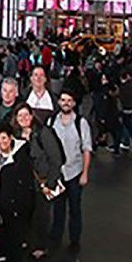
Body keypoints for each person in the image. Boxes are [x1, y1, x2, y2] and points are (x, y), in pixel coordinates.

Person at [12, 103, 64, 260]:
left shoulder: (43, 133)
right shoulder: (16, 135)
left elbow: (56, 159)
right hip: (25, 183)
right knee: (27, 212)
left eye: (26, 115)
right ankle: (28, 240)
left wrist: (50, 183)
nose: (23, 119)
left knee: (41, 214)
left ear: (32, 115)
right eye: (20, 116)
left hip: (42, 182)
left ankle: (40, 245)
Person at [0, 124, 34, 262]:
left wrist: (20, 205)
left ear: (10, 137)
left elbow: (26, 183)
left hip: (16, 204)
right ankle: (5, 256)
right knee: (3, 232)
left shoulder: (21, 155)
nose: (1, 142)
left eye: (4, 138)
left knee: (15, 235)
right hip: (0, 202)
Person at [48, 90, 92, 252]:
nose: (66, 103)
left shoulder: (81, 123)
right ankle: (56, 236)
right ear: (59, 102)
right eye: (63, 100)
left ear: (74, 103)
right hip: (57, 173)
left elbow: (86, 149)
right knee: (58, 208)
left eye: (69, 100)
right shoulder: (52, 121)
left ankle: (75, 239)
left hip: (75, 172)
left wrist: (85, 173)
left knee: (75, 208)